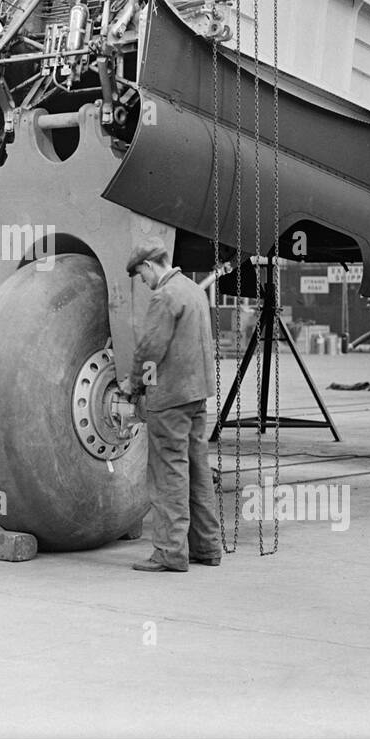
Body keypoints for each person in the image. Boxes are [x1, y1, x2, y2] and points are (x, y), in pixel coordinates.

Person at [118, 243, 221, 572]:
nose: (142, 281)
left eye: (140, 274)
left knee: (168, 475)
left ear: (149, 266)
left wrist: (133, 386)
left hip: (171, 398)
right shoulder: (193, 290)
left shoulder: (165, 296)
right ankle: (207, 547)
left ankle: (169, 552)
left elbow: (150, 348)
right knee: (197, 469)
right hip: (196, 395)